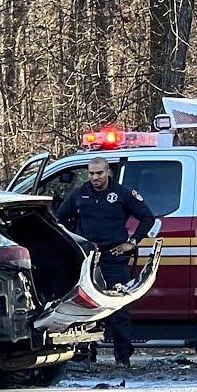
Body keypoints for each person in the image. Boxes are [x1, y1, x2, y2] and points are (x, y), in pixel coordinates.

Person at [56, 156, 155, 370]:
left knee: (118, 309)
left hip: (114, 258)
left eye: (99, 173)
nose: (95, 177)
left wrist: (132, 243)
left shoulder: (122, 194)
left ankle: (122, 357)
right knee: (84, 308)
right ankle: (86, 356)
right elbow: (60, 219)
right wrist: (75, 241)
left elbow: (148, 217)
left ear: (107, 172)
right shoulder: (79, 194)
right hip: (88, 260)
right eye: (91, 173)